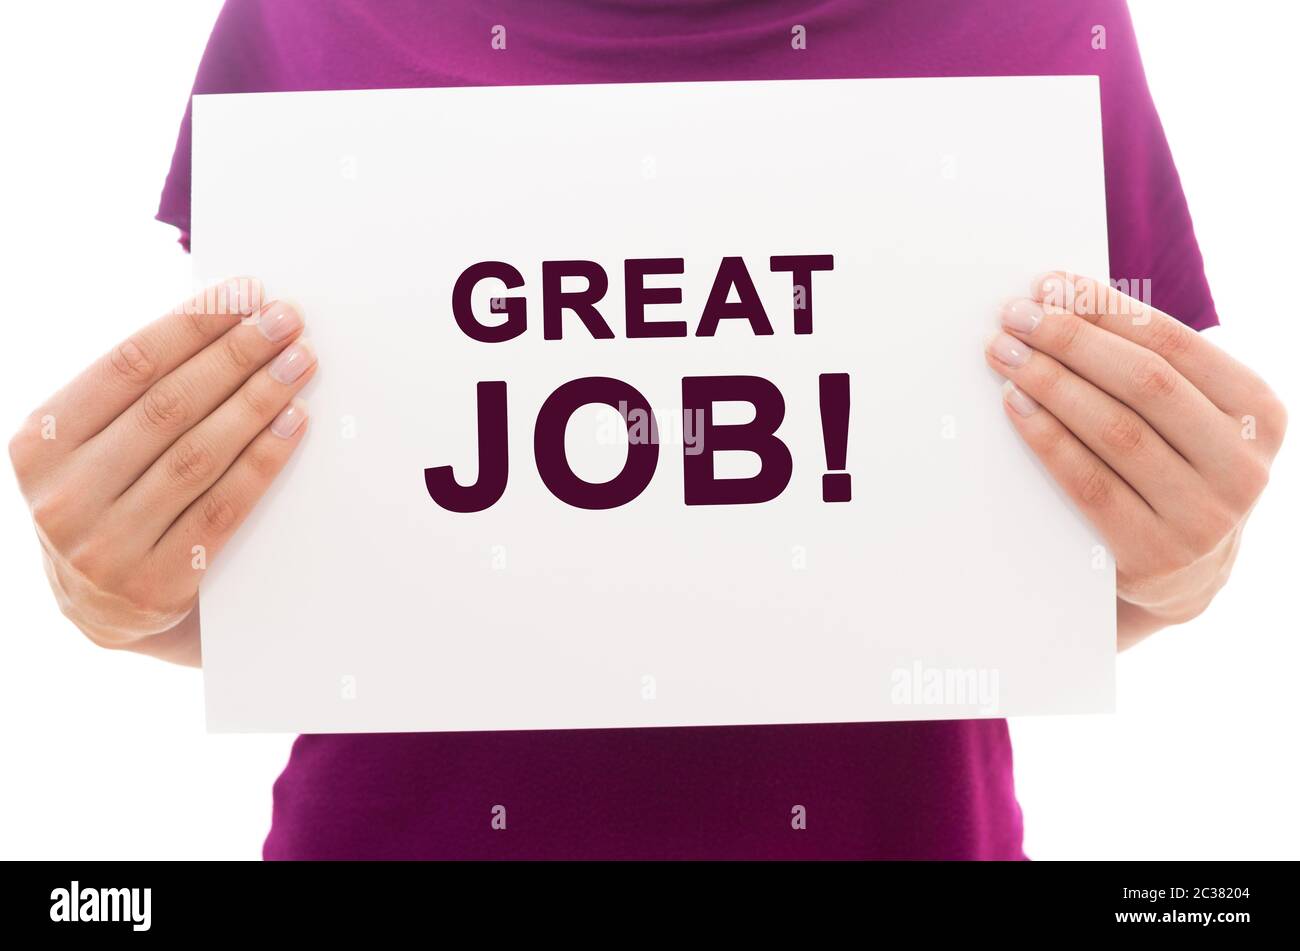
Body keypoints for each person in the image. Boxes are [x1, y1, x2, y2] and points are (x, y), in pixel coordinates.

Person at [8, 0, 1285, 859]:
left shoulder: (1044, 20)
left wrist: (1175, 577)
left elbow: (1023, 574)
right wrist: (129, 600)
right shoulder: (305, 14)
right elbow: (323, 570)